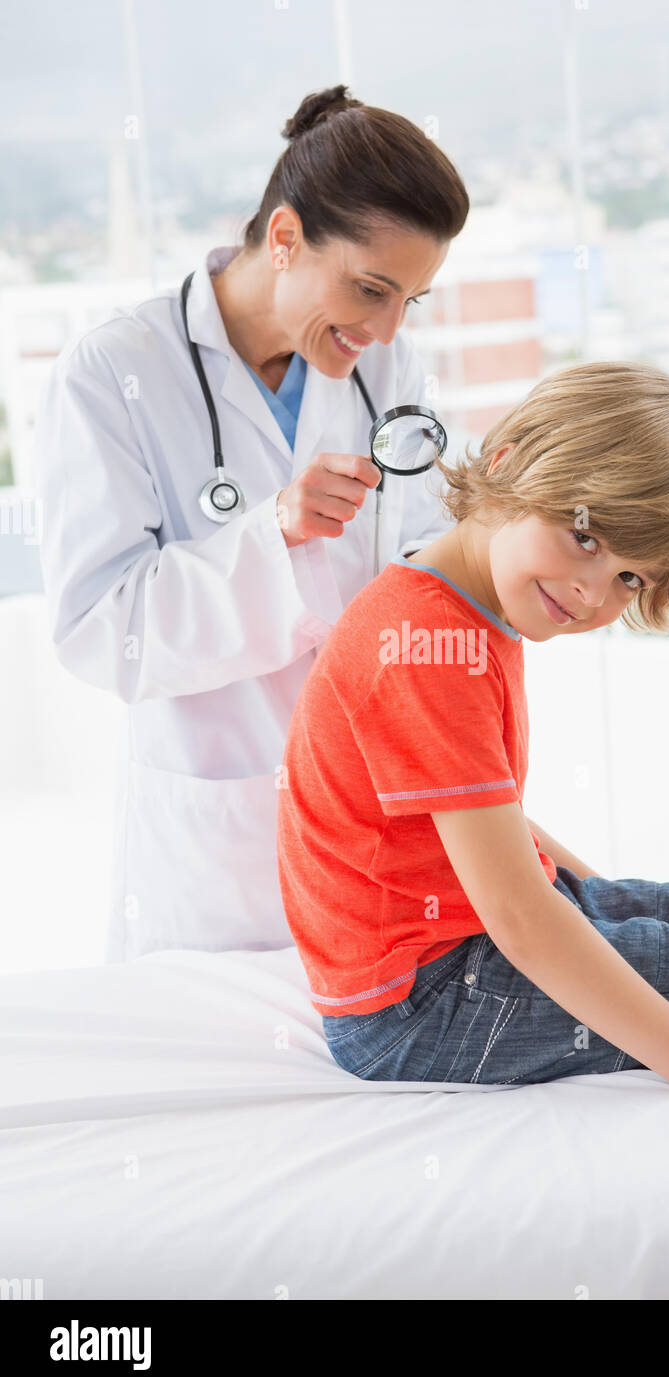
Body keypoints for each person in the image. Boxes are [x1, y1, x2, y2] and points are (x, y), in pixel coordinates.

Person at [276, 360, 669, 1100]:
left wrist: (605, 900)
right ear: (509, 463)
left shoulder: (466, 606)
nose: (594, 591)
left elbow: (494, 826)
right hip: (416, 1007)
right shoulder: (426, 640)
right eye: (587, 539)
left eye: (630, 580)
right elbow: (519, 917)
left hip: (478, 939)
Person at [34, 85, 468, 962]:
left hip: (370, 817)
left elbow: (419, 557)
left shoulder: (385, 369)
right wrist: (273, 533)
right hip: (215, 836)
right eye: (371, 289)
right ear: (283, 238)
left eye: (409, 302)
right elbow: (98, 629)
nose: (385, 331)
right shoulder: (114, 371)